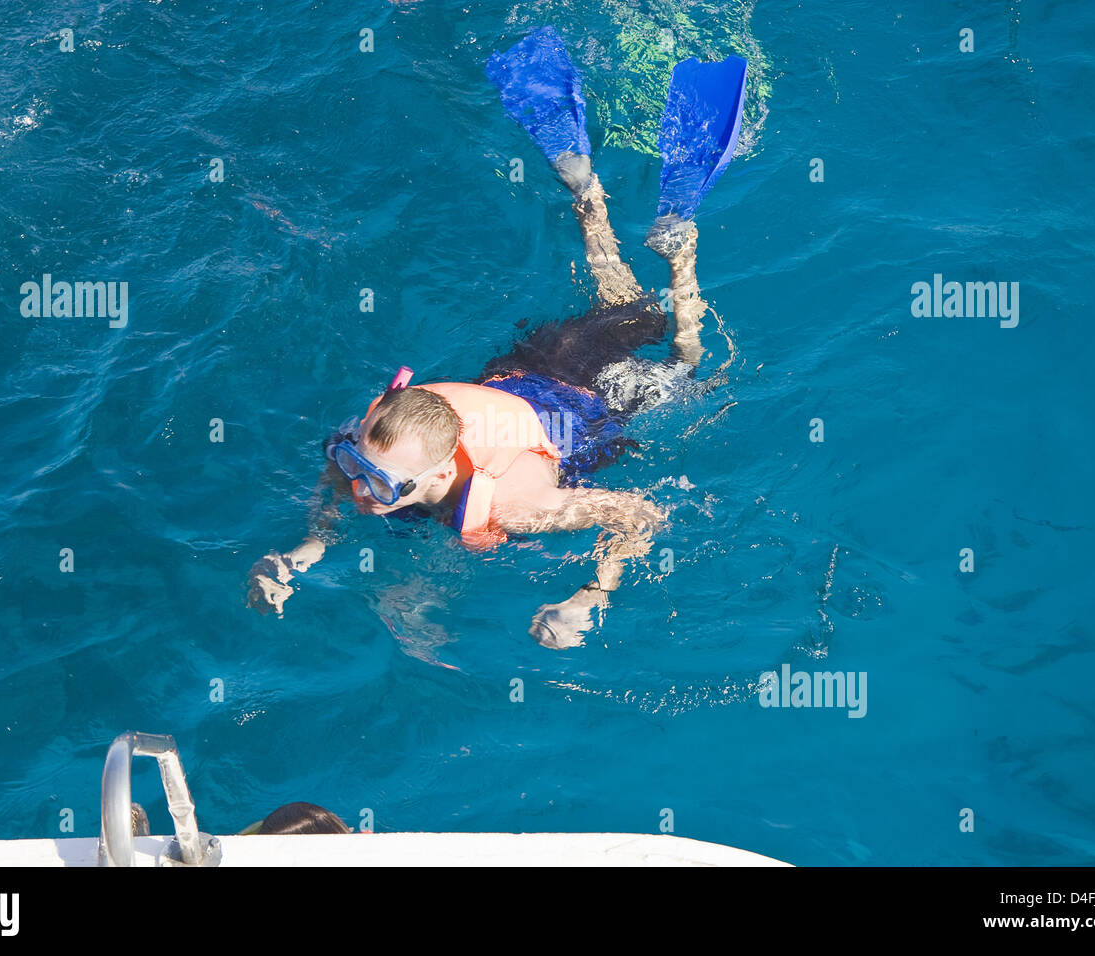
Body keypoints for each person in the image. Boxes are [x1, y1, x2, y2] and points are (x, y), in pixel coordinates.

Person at [248, 30, 748, 649]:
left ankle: (679, 246)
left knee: (686, 362)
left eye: (374, 484)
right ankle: (586, 192)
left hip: (585, 396)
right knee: (623, 307)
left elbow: (639, 511)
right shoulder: (375, 448)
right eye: (358, 465)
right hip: (529, 369)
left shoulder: (517, 505)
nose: (356, 486)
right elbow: (334, 480)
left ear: (433, 472)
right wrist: (301, 553)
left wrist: (590, 596)